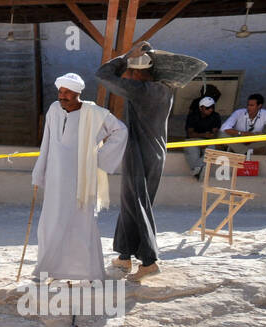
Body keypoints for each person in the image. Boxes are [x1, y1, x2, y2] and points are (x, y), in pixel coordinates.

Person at [31, 73, 127, 282]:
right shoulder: (53, 110)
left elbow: (120, 131)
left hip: (81, 179)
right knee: (51, 221)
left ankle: (88, 272)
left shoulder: (93, 112)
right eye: (60, 91)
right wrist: (39, 171)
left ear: (77, 94)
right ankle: (46, 269)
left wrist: (98, 158)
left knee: (82, 222)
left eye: (67, 92)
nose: (62, 96)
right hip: (56, 177)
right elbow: (46, 142)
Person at [95, 41, 176, 282]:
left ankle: (149, 261)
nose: (126, 75)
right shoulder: (165, 89)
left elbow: (103, 75)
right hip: (154, 154)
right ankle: (124, 256)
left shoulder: (141, 90)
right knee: (132, 203)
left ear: (137, 72)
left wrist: (124, 57)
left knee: (137, 204)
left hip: (140, 153)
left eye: (129, 70)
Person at [184, 96, 223, 178]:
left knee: (211, 150)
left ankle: (196, 170)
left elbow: (215, 133)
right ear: (200, 108)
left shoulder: (216, 116)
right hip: (193, 139)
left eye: (212, 107)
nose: (211, 109)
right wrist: (204, 135)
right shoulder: (192, 116)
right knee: (192, 149)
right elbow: (190, 134)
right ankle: (198, 171)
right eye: (208, 107)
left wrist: (210, 137)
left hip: (208, 140)